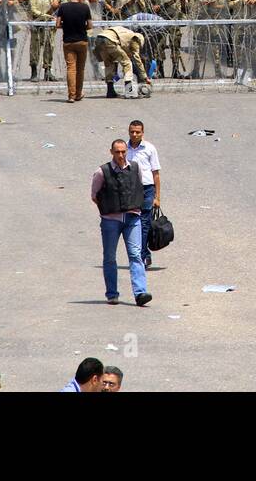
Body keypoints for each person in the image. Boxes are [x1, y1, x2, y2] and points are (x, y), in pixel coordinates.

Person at [91, 139, 152, 306]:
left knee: (135, 255)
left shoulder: (135, 168)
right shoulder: (102, 172)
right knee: (110, 257)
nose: (120, 155)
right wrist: (110, 207)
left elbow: (139, 186)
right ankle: (112, 294)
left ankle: (140, 293)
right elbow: (95, 195)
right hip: (111, 221)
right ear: (111, 152)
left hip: (132, 219)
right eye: (117, 152)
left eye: (123, 151)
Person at [126, 120, 162, 269]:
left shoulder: (150, 148)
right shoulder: (124, 148)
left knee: (144, 222)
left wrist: (157, 197)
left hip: (147, 189)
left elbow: (156, 173)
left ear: (142, 133)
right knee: (132, 222)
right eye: (132, 131)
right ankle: (143, 254)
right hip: (130, 190)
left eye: (137, 132)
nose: (134, 134)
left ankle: (142, 256)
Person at [189, 0, 227, 79]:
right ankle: (195, 71)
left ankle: (218, 72)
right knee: (198, 47)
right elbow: (191, 4)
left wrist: (211, 3)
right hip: (200, 20)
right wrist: (198, 4)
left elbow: (222, 3)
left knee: (215, 47)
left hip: (213, 20)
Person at [55, 0, 92, 102]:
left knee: (71, 68)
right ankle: (78, 93)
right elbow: (90, 25)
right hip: (82, 41)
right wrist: (81, 28)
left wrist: (66, 27)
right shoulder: (85, 8)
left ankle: (71, 95)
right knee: (80, 69)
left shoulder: (63, 7)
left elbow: (57, 24)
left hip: (68, 42)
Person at [150, 0, 188, 79]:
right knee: (159, 46)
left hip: (174, 20)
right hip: (161, 20)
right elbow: (151, 6)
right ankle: (160, 70)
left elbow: (185, 8)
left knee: (175, 45)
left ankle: (175, 71)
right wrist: (156, 7)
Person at [93, 25, 150, 98]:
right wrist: (144, 77)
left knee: (109, 64)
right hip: (110, 40)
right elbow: (137, 58)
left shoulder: (127, 34)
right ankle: (129, 92)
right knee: (127, 63)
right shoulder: (135, 38)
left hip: (99, 39)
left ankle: (110, 91)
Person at [22, 0, 57, 83]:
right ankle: (34, 72)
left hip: (49, 24)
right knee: (35, 48)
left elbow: (55, 6)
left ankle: (48, 70)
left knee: (49, 47)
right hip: (37, 23)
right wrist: (50, 16)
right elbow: (33, 10)